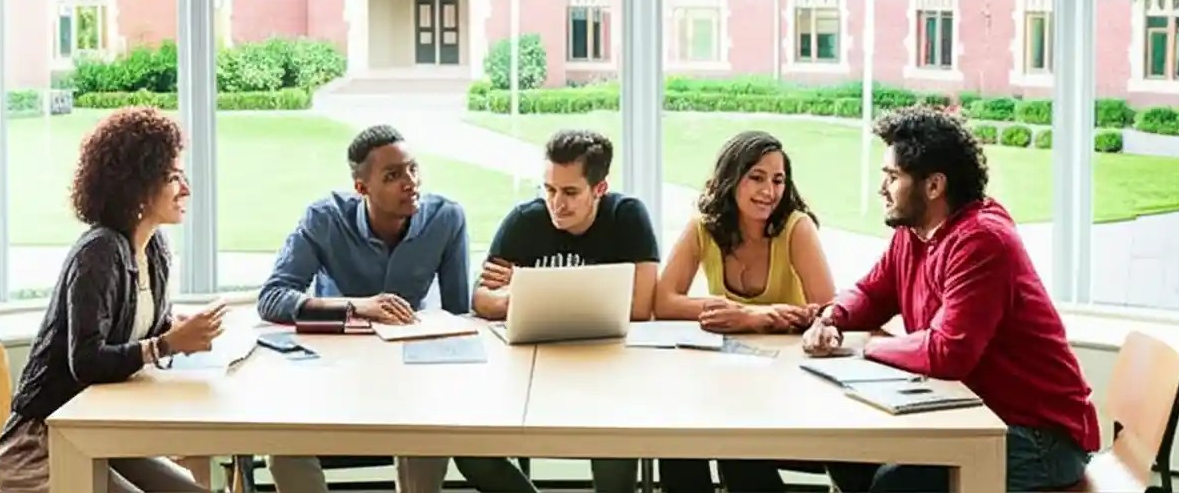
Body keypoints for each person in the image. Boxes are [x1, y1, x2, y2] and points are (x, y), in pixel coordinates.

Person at [803, 105, 1099, 492]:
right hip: (976, 416)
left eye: (892, 176)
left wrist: (869, 349)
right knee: (848, 453)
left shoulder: (981, 241)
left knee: (896, 485)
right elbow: (872, 293)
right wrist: (831, 319)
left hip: (1041, 439)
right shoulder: (914, 234)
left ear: (933, 185)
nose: (882, 188)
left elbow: (947, 351)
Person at [0, 106, 224, 493]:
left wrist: (180, 330)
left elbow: (139, 325)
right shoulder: (99, 252)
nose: (186, 188)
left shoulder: (154, 248)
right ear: (138, 185)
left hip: (100, 428)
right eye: (173, 177)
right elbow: (85, 361)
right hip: (44, 441)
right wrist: (167, 344)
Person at [258, 124, 469, 493]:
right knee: (282, 445)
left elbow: (458, 313)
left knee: (430, 436)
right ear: (362, 188)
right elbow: (273, 297)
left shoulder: (447, 218)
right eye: (393, 176)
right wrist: (359, 306)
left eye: (413, 169)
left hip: (408, 366)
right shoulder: (324, 219)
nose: (410, 182)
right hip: (333, 365)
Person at [460, 129, 659, 493]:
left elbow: (641, 307)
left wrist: (529, 287)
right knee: (470, 451)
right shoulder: (524, 220)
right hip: (530, 370)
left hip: (606, 370)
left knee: (614, 442)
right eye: (549, 190)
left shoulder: (627, 216)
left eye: (570, 192)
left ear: (599, 189)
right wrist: (518, 297)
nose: (556, 203)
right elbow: (481, 299)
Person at [653, 131, 836, 493]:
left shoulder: (796, 228)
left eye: (778, 180)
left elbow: (828, 310)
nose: (769, 191)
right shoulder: (702, 228)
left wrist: (754, 318)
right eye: (756, 177)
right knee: (676, 444)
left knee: (737, 447)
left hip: (788, 380)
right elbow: (663, 302)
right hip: (728, 376)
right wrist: (738, 311)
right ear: (731, 177)